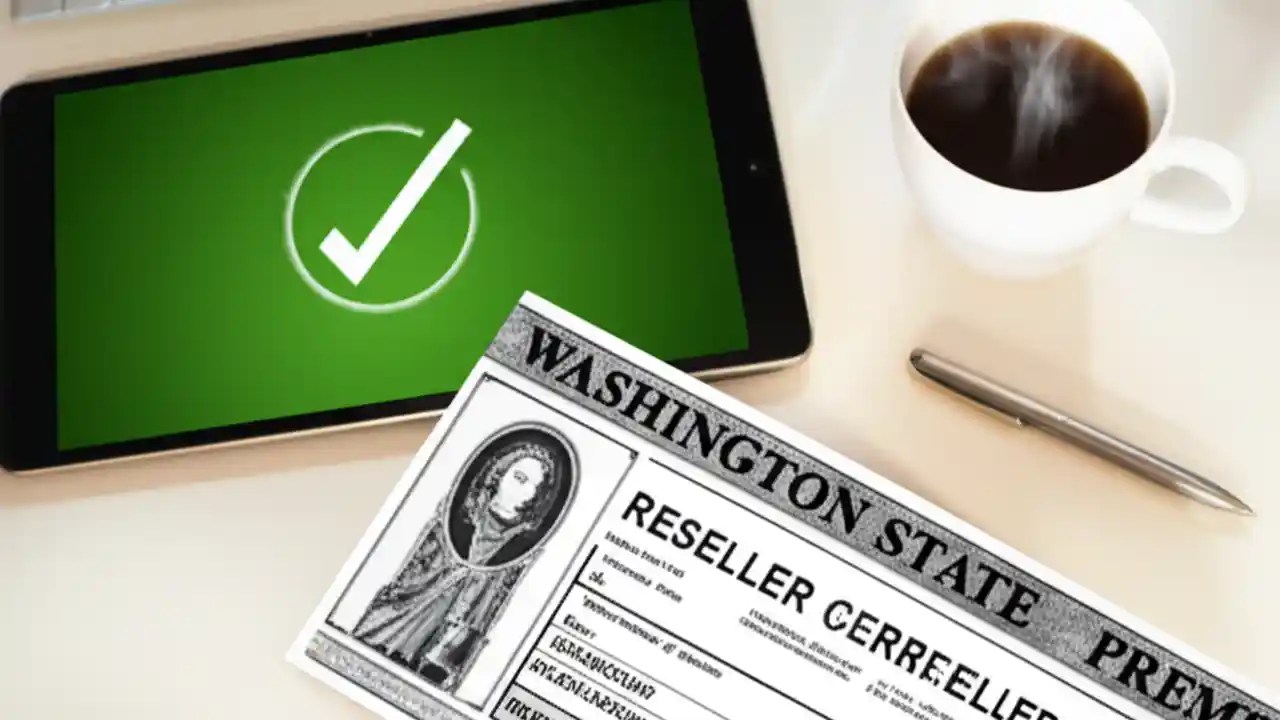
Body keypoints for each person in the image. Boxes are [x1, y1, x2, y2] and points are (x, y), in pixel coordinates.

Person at [353, 438, 567, 689]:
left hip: (452, 636)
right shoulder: (461, 514)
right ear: (499, 473)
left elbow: (490, 603)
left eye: (535, 487)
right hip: (411, 609)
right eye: (519, 478)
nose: (526, 491)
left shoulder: (521, 545)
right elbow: (420, 565)